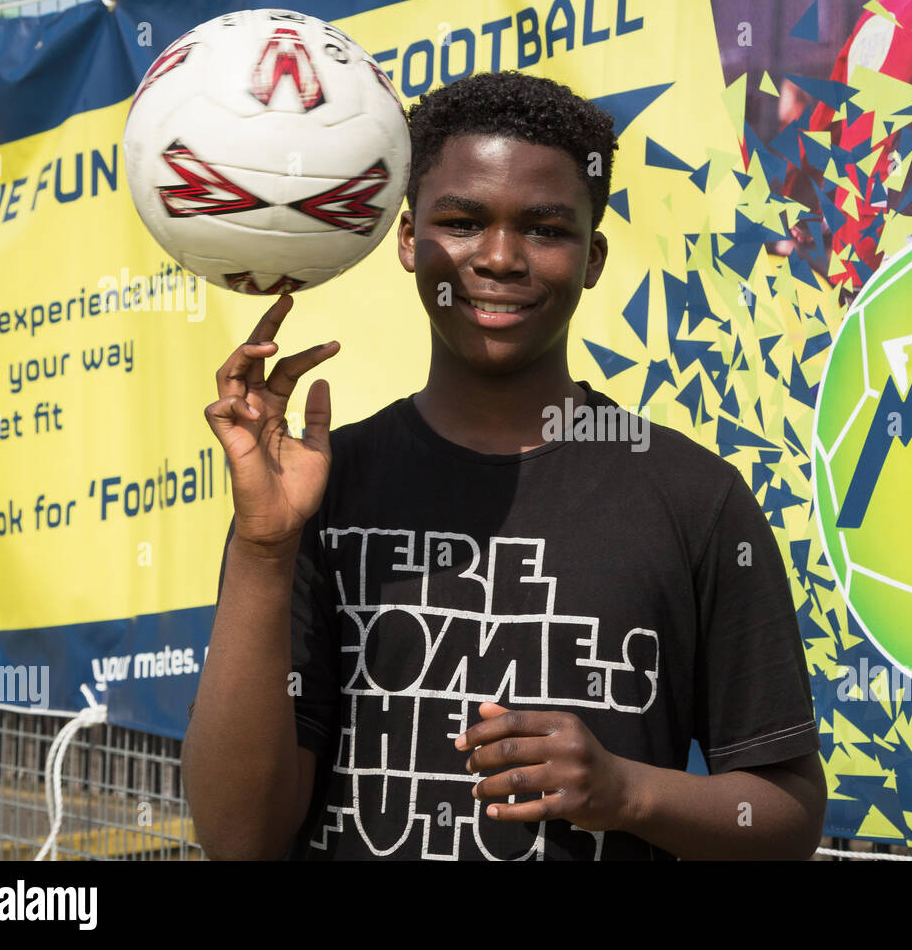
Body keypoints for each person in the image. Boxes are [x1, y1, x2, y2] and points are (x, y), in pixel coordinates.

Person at [181, 71, 826, 860]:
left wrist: (628, 792)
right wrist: (263, 549)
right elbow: (237, 840)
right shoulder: (316, 491)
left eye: (545, 230)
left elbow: (787, 819)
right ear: (409, 238)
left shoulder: (695, 499)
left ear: (592, 258)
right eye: (461, 220)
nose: (499, 257)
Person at [774, 0, 912, 292]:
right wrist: (908, 236)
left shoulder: (874, 16)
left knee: (864, 334)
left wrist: (808, 200)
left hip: (856, 233)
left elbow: (829, 119)